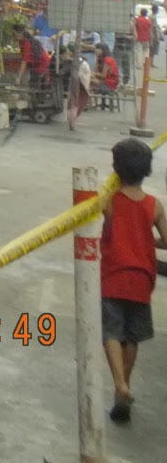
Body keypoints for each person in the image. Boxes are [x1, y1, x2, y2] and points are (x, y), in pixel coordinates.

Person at [100, 137, 167, 423]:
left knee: (111, 333)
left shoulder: (109, 203)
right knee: (131, 337)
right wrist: (147, 240)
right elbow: (166, 241)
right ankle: (124, 388)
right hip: (141, 280)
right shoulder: (155, 206)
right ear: (147, 170)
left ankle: (119, 384)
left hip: (114, 277)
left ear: (116, 169)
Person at [133, 8, 153, 86]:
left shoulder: (137, 20)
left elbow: (134, 27)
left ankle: (139, 64)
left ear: (140, 13)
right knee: (146, 51)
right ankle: (145, 63)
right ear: (146, 13)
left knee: (138, 51)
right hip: (146, 38)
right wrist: (151, 39)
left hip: (139, 37)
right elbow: (150, 31)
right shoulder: (148, 21)